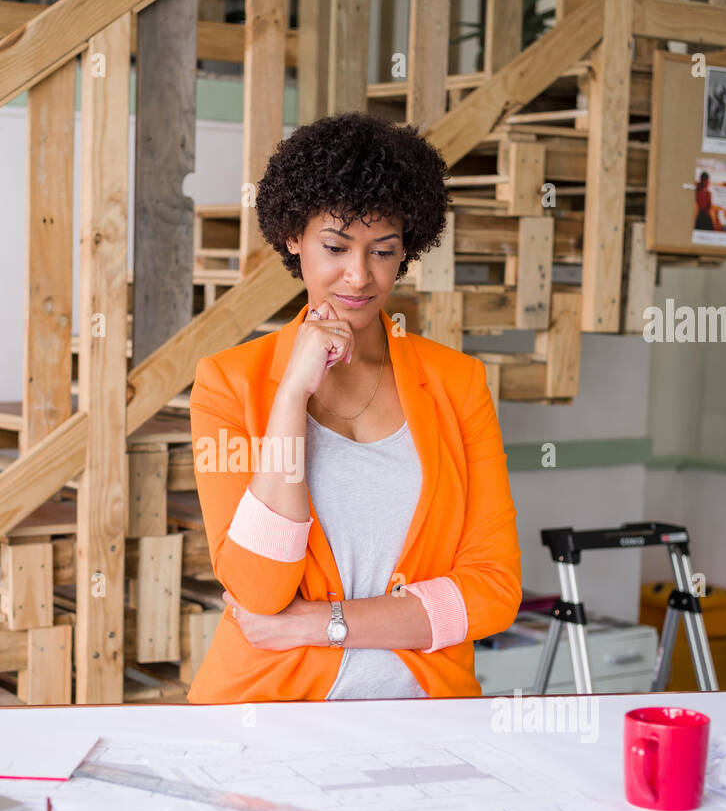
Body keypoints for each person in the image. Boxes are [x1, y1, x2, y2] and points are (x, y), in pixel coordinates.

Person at [186, 112, 522, 703]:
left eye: (383, 251)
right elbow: (259, 588)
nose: (359, 276)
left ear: (405, 250)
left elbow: (493, 591)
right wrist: (291, 394)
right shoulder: (228, 384)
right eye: (335, 246)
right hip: (270, 710)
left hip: (428, 713)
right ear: (294, 237)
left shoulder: (458, 384)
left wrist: (320, 624)